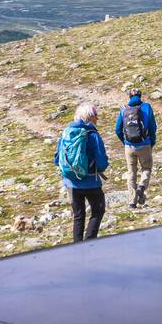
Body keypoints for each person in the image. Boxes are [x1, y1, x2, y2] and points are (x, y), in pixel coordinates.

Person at [54, 102, 109, 241]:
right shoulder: (93, 135)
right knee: (98, 210)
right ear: (89, 117)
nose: (96, 120)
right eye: (95, 117)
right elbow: (101, 162)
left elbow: (57, 159)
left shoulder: (66, 133)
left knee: (78, 216)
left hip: (70, 183)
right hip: (91, 182)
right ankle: (89, 242)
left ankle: (76, 247)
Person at [114, 88, 157, 207]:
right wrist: (151, 142)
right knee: (146, 168)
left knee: (131, 172)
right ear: (140, 95)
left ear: (129, 97)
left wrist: (125, 142)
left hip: (129, 146)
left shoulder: (124, 109)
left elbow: (117, 129)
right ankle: (142, 186)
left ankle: (132, 203)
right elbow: (153, 127)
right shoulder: (147, 107)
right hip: (145, 144)